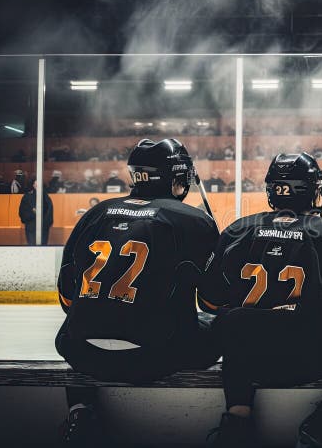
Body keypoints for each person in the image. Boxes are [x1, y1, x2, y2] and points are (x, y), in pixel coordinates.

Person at [200, 153, 322, 448]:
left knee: (230, 327)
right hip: (308, 361)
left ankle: (237, 418)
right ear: (314, 191)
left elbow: (209, 304)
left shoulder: (237, 231)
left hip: (248, 362)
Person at [55, 139, 220, 447]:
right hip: (153, 358)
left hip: (82, 353)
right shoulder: (194, 220)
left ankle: (79, 411)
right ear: (178, 176)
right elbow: (212, 301)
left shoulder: (95, 214)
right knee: (219, 328)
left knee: (81, 323)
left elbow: (67, 299)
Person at [19, 178, 53, 245]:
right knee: (32, 246)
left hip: (43, 227)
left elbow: (49, 211)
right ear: (33, 185)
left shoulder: (46, 197)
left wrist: (46, 224)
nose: (38, 186)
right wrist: (33, 213)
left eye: (39, 185)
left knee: (43, 246)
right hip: (31, 226)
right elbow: (22, 212)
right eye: (36, 184)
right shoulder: (27, 197)